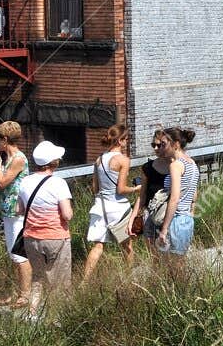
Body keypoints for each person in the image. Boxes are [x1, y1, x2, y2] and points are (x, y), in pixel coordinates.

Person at [16, 140, 73, 318]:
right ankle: (57, 318)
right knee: (60, 281)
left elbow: (19, 210)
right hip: (56, 238)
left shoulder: (25, 181)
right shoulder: (59, 183)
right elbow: (67, 215)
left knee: (38, 278)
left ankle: (32, 316)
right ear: (53, 162)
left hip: (31, 238)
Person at [84, 124, 138, 281]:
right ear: (120, 141)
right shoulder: (123, 160)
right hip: (118, 207)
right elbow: (121, 189)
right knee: (127, 246)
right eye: (126, 139)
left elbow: (95, 188)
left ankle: (85, 282)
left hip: (100, 207)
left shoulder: (99, 159)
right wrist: (136, 189)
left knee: (98, 246)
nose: (127, 142)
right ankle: (128, 278)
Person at [0, 121, 30, 308]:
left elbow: (2, 182)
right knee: (12, 254)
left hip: (18, 212)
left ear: (5, 139)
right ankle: (15, 291)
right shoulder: (11, 158)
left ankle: (25, 294)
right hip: (8, 212)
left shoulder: (18, 159)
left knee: (20, 255)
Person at [152, 126, 198, 262]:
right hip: (187, 220)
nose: (162, 147)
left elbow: (174, 199)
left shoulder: (176, 165)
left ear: (176, 144)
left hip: (175, 221)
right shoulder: (192, 163)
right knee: (179, 264)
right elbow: (193, 196)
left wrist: (164, 229)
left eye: (164, 144)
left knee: (171, 268)